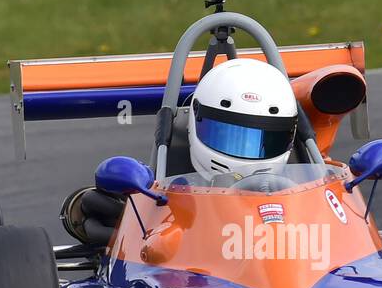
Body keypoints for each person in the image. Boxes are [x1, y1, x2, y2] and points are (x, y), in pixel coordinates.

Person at [62, 57, 299, 245]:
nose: (245, 154)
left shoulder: (303, 198)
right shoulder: (164, 203)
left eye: (263, 140)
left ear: (290, 136)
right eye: (228, 136)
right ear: (194, 121)